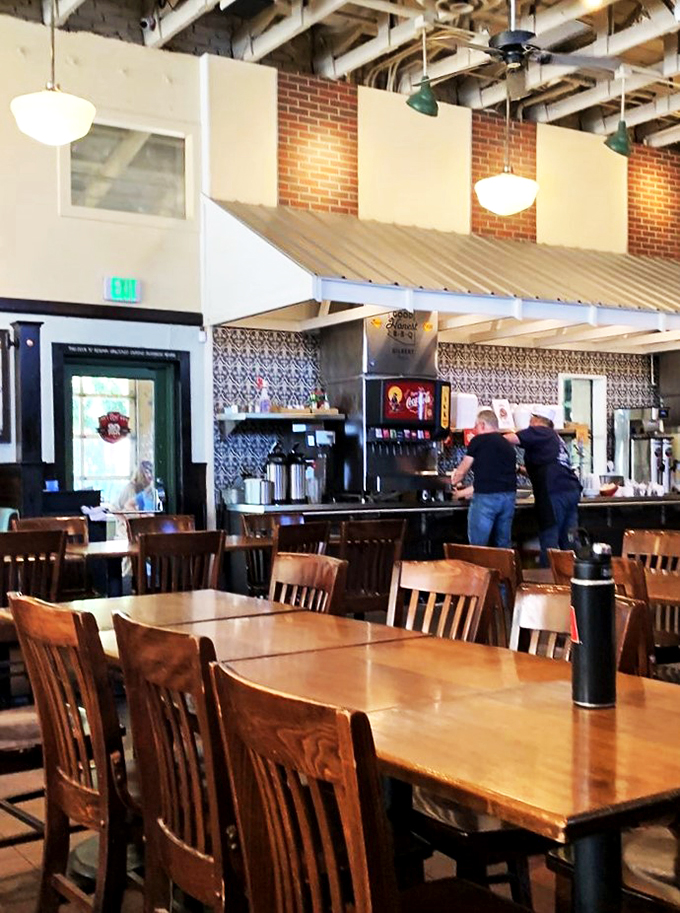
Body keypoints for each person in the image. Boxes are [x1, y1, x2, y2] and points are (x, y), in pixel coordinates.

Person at [504, 407, 582, 566]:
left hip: (554, 492)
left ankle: (548, 585)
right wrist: (519, 469)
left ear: (536, 420)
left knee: (550, 539)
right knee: (569, 540)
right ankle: (571, 581)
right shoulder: (555, 438)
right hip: (571, 489)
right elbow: (545, 467)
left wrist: (485, 437)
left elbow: (510, 439)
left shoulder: (539, 430)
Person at [451, 409, 517, 548]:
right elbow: (493, 477)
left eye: (475, 426)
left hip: (486, 498)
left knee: (478, 545)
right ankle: (504, 569)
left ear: (482, 424)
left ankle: (480, 569)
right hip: (509, 498)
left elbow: (463, 470)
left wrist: (453, 482)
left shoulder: (479, 440)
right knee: (503, 544)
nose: (474, 430)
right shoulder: (508, 445)